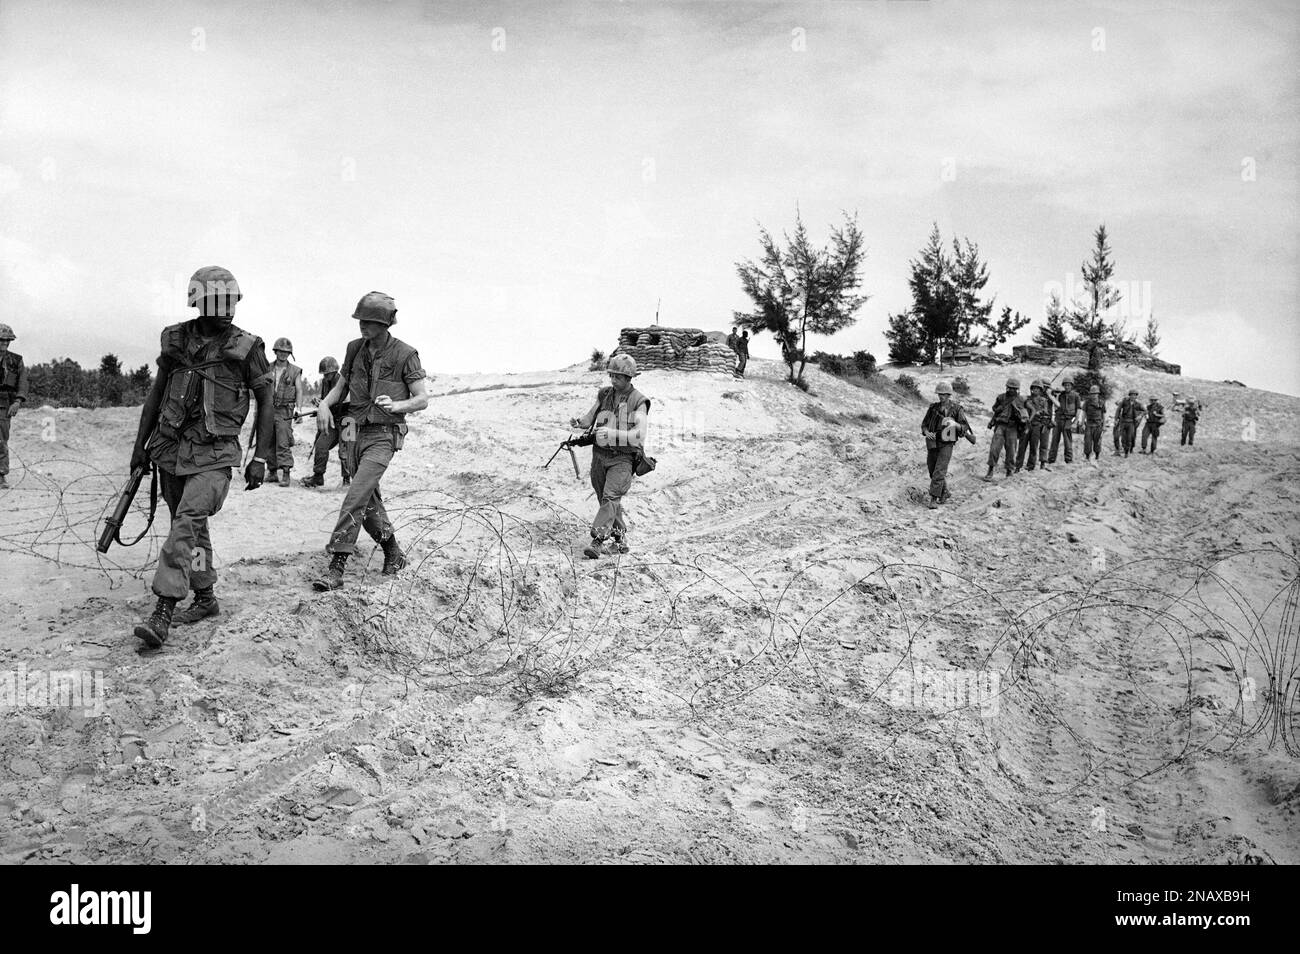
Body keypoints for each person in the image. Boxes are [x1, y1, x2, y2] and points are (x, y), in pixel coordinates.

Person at [128, 266, 273, 647]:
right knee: (190, 528)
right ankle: (206, 596)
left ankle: (164, 608)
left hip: (216, 453)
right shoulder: (176, 340)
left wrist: (261, 456)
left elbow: (266, 400)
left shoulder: (247, 346)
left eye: (230, 301)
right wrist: (139, 448)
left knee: (186, 521)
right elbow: (156, 395)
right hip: (171, 449)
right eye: (217, 301)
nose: (226, 309)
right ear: (199, 303)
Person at [313, 292, 428, 591]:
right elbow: (341, 385)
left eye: (371, 322)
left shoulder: (406, 353)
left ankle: (336, 566)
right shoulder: (354, 349)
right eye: (361, 320)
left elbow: (422, 399)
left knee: (355, 496)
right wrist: (324, 404)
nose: (363, 326)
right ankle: (393, 552)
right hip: (353, 430)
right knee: (366, 499)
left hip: (383, 436)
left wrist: (398, 406)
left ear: (386, 324)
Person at [569, 352, 650, 557]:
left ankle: (598, 540)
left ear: (629, 378)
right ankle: (620, 538)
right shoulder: (605, 394)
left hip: (623, 458)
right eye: (611, 375)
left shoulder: (639, 401)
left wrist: (613, 433)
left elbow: (639, 434)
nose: (613, 380)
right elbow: (590, 417)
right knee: (606, 500)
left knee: (611, 496)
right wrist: (580, 422)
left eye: (618, 377)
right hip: (600, 455)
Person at [300, 356, 353, 488]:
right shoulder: (324, 382)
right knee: (321, 445)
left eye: (329, 374)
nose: (326, 377)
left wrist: (327, 405)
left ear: (335, 372)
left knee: (346, 451)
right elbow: (326, 399)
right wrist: (320, 402)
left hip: (348, 420)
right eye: (325, 374)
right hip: (333, 420)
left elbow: (345, 400)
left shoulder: (344, 381)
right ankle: (318, 476)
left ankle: (347, 480)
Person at [921, 380, 975, 506]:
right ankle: (944, 492)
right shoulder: (933, 408)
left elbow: (965, 426)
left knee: (939, 471)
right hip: (933, 442)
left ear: (949, 395)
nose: (941, 396)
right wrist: (926, 432)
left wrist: (955, 424)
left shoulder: (956, 409)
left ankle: (934, 498)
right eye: (939, 394)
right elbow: (924, 425)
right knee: (932, 469)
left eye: (944, 394)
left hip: (947, 443)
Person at [268, 337, 306, 487]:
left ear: (289, 353)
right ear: (275, 351)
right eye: (280, 351)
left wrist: (299, 408)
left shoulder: (295, 371)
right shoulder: (267, 368)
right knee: (268, 440)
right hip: (268, 409)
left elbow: (299, 390)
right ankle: (271, 472)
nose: (283, 354)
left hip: (285, 410)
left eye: (286, 352)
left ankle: (286, 473)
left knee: (283, 441)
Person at [0, 323, 29, 489]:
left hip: (4, 404)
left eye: (7, 340)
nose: (4, 343)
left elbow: (23, 382)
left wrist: (18, 402)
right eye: (1, 340)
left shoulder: (16, 360)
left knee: (1, 440)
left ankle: (1, 474)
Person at [985, 377, 1025, 481]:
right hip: (1000, 425)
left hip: (1013, 427)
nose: (1011, 390)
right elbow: (995, 410)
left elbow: (1026, 414)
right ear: (1007, 388)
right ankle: (990, 469)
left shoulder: (1021, 399)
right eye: (1010, 388)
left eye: (1014, 388)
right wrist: (996, 414)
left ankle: (1009, 470)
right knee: (994, 448)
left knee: (1011, 450)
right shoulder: (1001, 397)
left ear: (1017, 389)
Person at [1016, 379, 1052, 472]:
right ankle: (1018, 465)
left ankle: (1030, 466)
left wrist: (1041, 413)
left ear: (1041, 390)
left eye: (1038, 388)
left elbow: (1046, 412)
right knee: (1022, 446)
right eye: (1034, 388)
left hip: (1037, 426)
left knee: (1034, 446)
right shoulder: (1026, 399)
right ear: (1031, 389)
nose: (1035, 390)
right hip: (1026, 425)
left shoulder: (1043, 400)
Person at [1048, 379, 1082, 464]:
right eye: (1065, 385)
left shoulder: (1076, 396)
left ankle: (1069, 460)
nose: (1067, 387)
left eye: (1069, 385)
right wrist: (1052, 392)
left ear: (1072, 386)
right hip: (1058, 419)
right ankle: (1051, 460)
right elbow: (1057, 404)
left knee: (1067, 440)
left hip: (1069, 420)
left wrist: (1075, 422)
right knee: (1054, 440)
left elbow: (1078, 409)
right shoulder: (1061, 394)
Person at [1082, 383, 1106, 462]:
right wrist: (1082, 423)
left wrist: (1104, 425)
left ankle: (1097, 455)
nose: (1094, 395)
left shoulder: (1101, 402)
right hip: (1089, 424)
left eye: (1095, 393)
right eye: (1092, 394)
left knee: (1097, 441)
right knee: (1088, 441)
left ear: (1098, 394)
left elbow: (1103, 414)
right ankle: (1087, 456)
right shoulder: (1087, 402)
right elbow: (1084, 413)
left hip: (1098, 425)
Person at [1117, 389, 1145, 456]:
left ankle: (1129, 449)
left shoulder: (1138, 404)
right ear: (1129, 395)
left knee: (1131, 437)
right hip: (1123, 422)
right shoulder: (1125, 401)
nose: (1133, 396)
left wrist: (1140, 416)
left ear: (1136, 396)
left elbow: (1145, 411)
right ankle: (1124, 448)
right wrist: (1116, 419)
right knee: (1123, 437)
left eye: (1134, 395)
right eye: (1131, 395)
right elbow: (1118, 409)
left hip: (1132, 423)